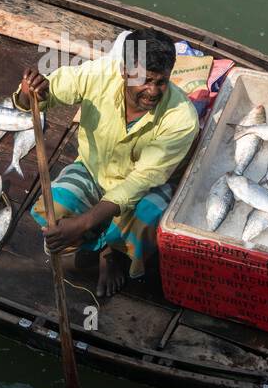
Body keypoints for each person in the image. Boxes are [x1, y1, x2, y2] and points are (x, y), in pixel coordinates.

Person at [15, 28, 199, 298]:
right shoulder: (99, 74)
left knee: (148, 219)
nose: (153, 91)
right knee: (52, 209)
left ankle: (112, 254)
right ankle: (104, 244)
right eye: (145, 80)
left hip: (144, 188)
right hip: (93, 171)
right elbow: (45, 94)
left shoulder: (182, 119)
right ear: (124, 71)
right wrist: (31, 93)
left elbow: (140, 181)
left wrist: (84, 224)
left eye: (161, 82)